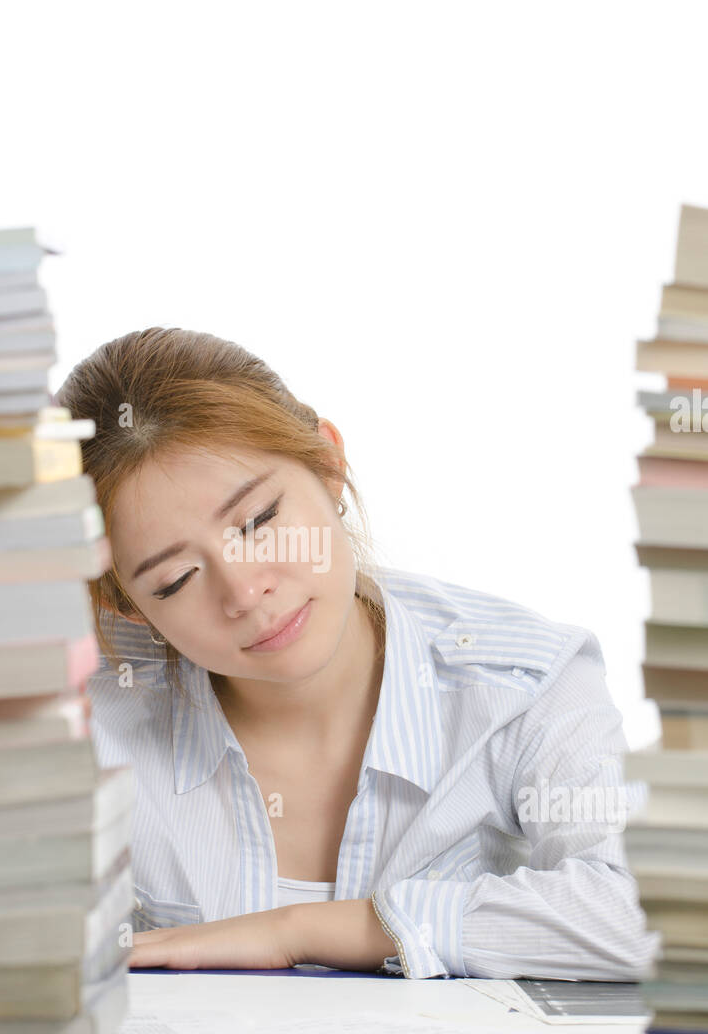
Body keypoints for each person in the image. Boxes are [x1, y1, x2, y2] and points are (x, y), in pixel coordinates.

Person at [56, 326, 660, 981]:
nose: (246, 590)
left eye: (259, 521)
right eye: (175, 580)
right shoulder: (81, 718)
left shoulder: (523, 681)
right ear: (123, 604)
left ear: (328, 465)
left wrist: (297, 932)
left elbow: (648, 917)